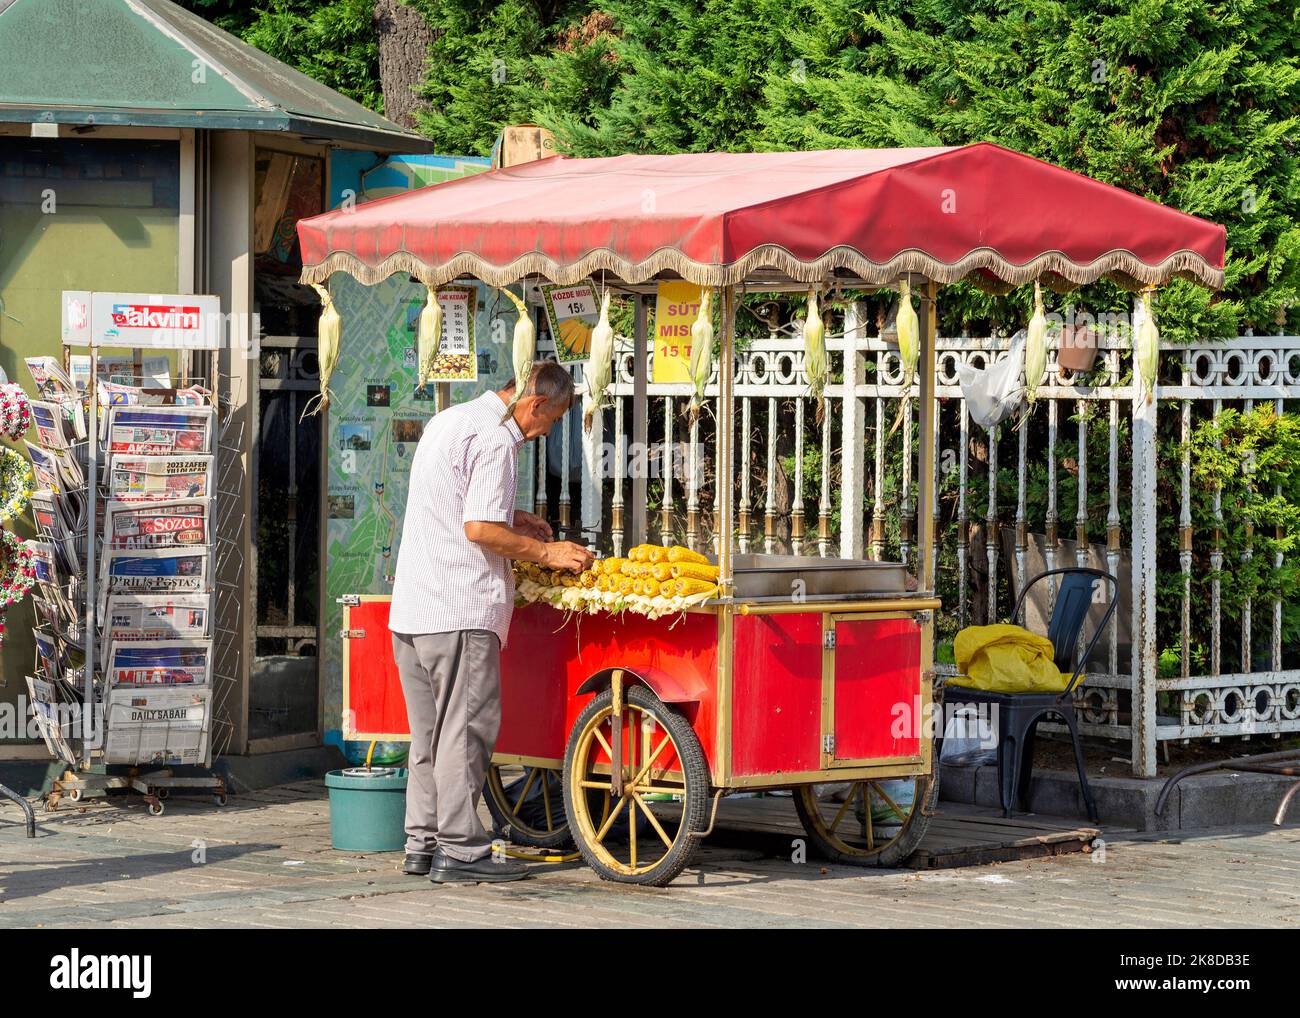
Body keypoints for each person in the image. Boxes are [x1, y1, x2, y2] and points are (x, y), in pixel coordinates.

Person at [388, 361, 593, 883]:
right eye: (553, 419)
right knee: (463, 734)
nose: (547, 431)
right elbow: (478, 528)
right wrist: (547, 553)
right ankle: (461, 851)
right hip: (458, 608)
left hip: (413, 608)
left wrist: (516, 517)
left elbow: (455, 506)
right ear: (536, 403)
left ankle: (423, 841)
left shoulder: (449, 420)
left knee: (429, 735)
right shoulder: (499, 438)